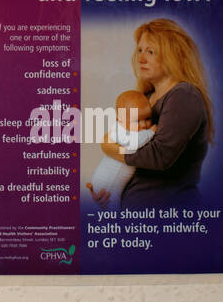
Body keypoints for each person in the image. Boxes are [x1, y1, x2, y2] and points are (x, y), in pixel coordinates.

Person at [94, 18, 215, 208]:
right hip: (140, 217)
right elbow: (125, 142)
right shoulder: (146, 97)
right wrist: (109, 190)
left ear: (173, 56)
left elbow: (158, 156)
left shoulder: (183, 96)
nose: (141, 58)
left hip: (170, 216)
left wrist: (111, 148)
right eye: (140, 50)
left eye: (150, 52)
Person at [85, 89, 155, 208]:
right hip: (107, 182)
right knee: (112, 212)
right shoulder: (118, 132)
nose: (143, 125)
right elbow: (134, 144)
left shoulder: (129, 130)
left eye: (147, 119)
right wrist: (151, 131)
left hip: (109, 182)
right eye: (137, 121)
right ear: (120, 121)